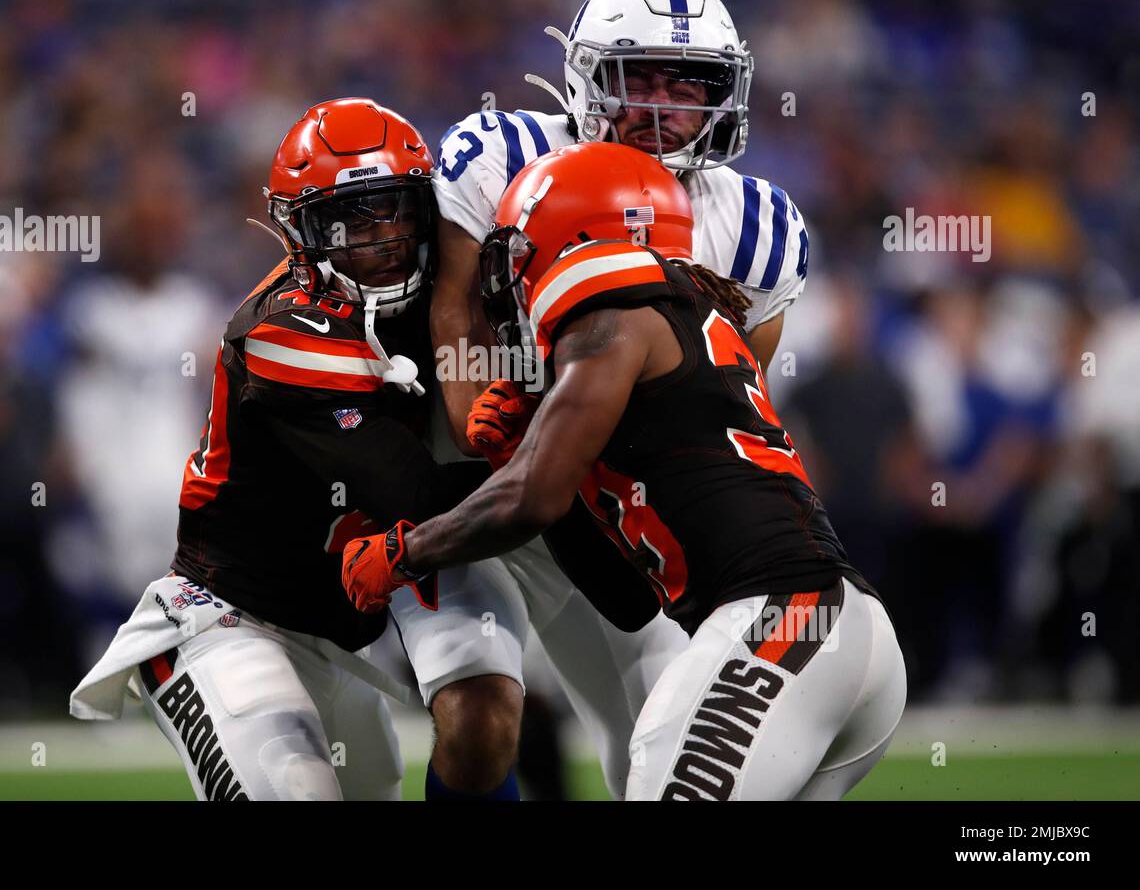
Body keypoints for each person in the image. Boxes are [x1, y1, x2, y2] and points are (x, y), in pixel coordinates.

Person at [343, 142, 907, 800]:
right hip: (832, 634)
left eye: (524, 246)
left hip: (783, 623)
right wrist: (526, 448)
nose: (511, 271)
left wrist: (404, 552)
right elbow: (629, 600)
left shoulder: (615, 315)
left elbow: (530, 500)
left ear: (577, 238)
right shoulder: (669, 322)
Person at [419, 0, 812, 797]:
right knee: (477, 716)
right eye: (640, 78)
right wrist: (482, 429)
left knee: (658, 725)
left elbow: (718, 407)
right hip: (469, 477)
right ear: (586, 76)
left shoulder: (756, 227)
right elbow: (456, 313)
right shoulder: (504, 153)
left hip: (606, 509)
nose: (665, 105)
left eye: (690, 83)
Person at [69, 97, 495, 800]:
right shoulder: (285, 335)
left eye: (395, 209)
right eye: (353, 218)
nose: (383, 237)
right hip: (226, 621)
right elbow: (416, 494)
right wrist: (556, 471)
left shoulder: (441, 301)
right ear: (304, 231)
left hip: (335, 639)